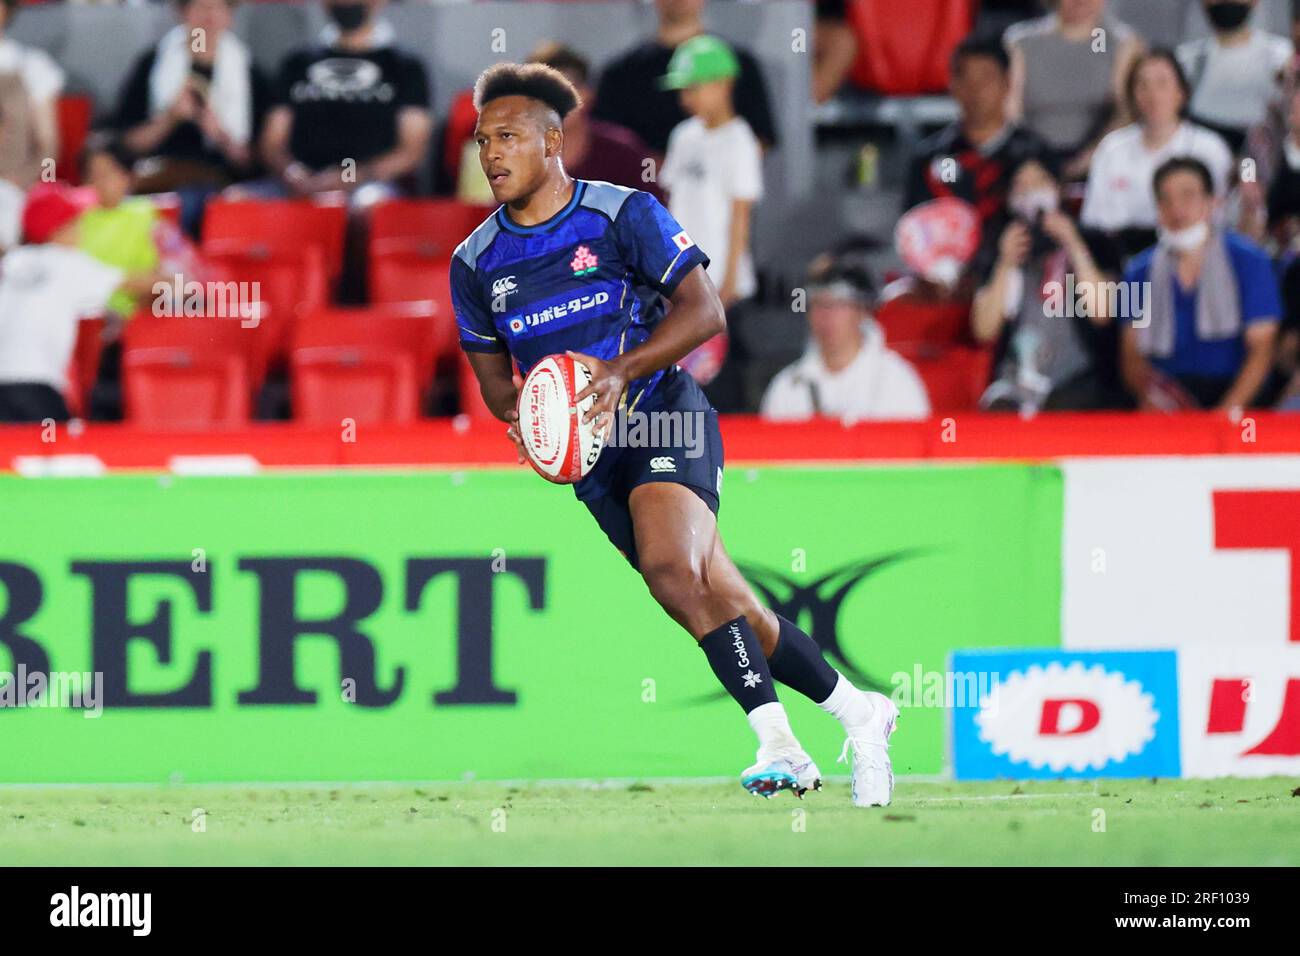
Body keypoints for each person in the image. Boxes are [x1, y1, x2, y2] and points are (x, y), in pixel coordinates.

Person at [452, 62, 899, 807]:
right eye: (481, 141)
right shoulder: (474, 263)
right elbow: (497, 384)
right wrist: (528, 420)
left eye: (508, 137)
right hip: (591, 459)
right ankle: (861, 712)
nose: (491, 154)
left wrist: (621, 371)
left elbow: (705, 312)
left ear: (553, 141)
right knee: (727, 602)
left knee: (670, 570)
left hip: (663, 411)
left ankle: (780, 747)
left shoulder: (622, 214)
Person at [1119, 157, 1280, 410]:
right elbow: (1132, 356)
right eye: (1165, 200)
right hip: (1167, 397)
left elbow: (1262, 349)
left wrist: (1224, 414)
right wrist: (1158, 401)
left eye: (1188, 196)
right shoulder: (1137, 270)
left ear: (1212, 202)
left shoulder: (1250, 261)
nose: (1176, 210)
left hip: (1236, 393)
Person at [974, 158, 1126, 413]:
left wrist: (1074, 245)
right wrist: (1005, 263)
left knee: (1065, 407)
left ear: (1057, 189)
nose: (1030, 192)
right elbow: (984, 330)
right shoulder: (1001, 247)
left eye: (1039, 182)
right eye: (1020, 186)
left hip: (1079, 378)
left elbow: (1103, 314)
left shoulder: (1096, 241)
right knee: (997, 409)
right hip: (1015, 379)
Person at [0, 184, 158, 423]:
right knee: (59, 445)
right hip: (36, 387)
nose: (81, 230)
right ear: (58, 230)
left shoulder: (13, 261)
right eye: (74, 223)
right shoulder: (67, 262)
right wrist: (175, 278)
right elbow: (134, 283)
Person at [112, 0, 273, 235]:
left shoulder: (249, 73)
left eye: (217, 7)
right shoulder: (152, 64)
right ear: (182, 12)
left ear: (230, 16)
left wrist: (218, 132)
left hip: (220, 182)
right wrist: (170, 118)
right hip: (155, 178)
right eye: (200, 7)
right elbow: (126, 145)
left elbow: (253, 162)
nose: (209, 16)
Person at [658, 34, 759, 401]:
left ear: (724, 84)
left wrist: (726, 285)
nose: (686, 98)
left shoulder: (739, 140)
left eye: (694, 88)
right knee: (683, 384)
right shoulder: (683, 136)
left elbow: (740, 215)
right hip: (684, 285)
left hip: (720, 287)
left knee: (722, 384)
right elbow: (671, 207)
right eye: (683, 90)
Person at [903, 36, 1050, 283]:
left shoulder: (1035, 155)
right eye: (965, 78)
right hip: (945, 283)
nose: (975, 90)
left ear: (1007, 82)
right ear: (951, 84)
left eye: (986, 78)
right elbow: (914, 230)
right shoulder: (929, 157)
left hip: (1017, 281)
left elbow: (1049, 232)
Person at [258, 0, 431, 201]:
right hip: (299, 184)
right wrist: (292, 173)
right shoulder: (297, 63)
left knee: (370, 203)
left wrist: (348, 177)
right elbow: (272, 142)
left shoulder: (405, 67)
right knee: (237, 199)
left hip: (370, 185)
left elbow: (411, 151)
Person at [1081, 49, 1234, 258]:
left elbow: (1221, 218)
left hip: (1193, 253)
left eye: (1162, 84)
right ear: (1132, 95)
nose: (1153, 95)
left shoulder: (1210, 148)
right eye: (1142, 85)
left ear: (1181, 92)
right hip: (1119, 253)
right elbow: (1093, 220)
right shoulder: (1111, 147)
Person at [591, 0, 777, 158]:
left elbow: (761, 136)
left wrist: (714, 169)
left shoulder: (738, 63)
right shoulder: (620, 74)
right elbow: (605, 139)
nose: (688, 100)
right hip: (639, 186)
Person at [761, 258, 930, 422]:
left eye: (838, 304)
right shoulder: (787, 386)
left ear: (862, 311)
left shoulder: (895, 381)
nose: (826, 315)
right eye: (818, 304)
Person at [1004, 0, 1144, 179]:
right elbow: (1011, 110)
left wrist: (1090, 159)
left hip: (1099, 158)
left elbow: (1125, 113)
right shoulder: (1021, 41)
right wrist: (1030, 160)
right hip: (1031, 159)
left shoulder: (1121, 43)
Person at [1177, 0, 1293, 153]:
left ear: (1255, 2)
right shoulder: (1186, 60)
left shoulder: (1282, 56)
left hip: (1262, 155)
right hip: (1199, 155)